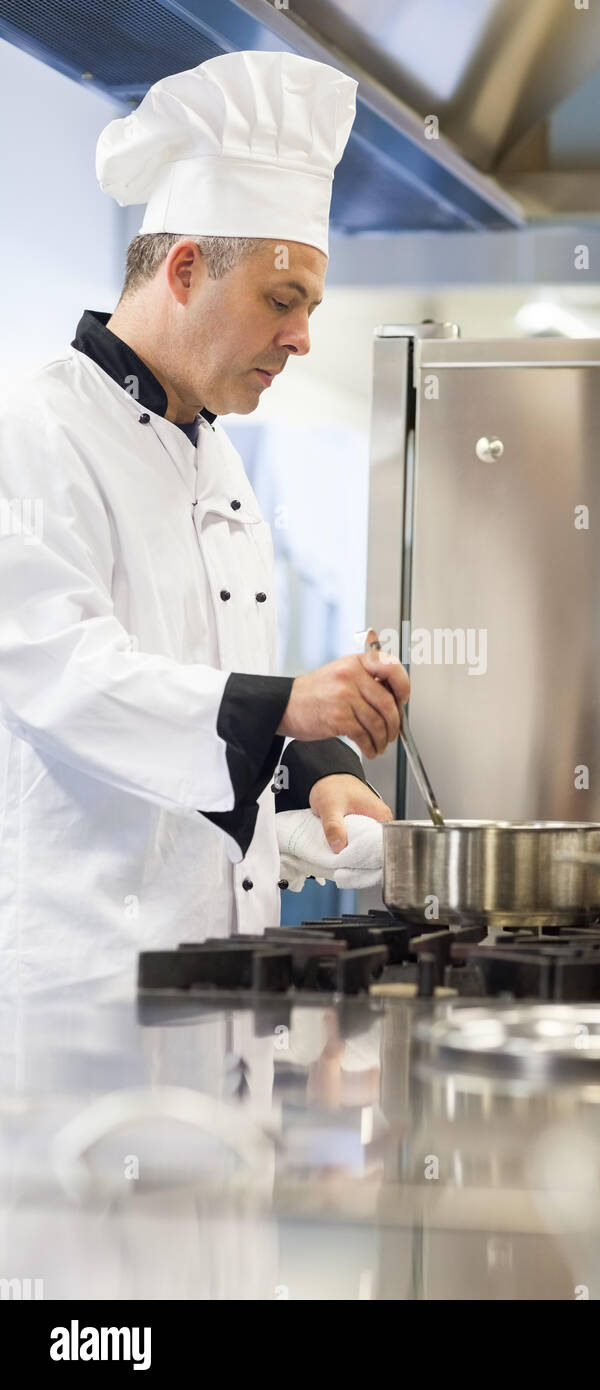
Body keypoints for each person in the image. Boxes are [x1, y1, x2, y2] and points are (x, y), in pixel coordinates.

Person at [0, 51, 409, 996]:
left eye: (308, 306)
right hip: (83, 990)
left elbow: (198, 676)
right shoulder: (35, 438)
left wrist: (314, 781)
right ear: (185, 269)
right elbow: (71, 681)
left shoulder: (212, 452)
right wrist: (290, 706)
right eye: (281, 300)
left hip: (223, 977)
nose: (303, 338)